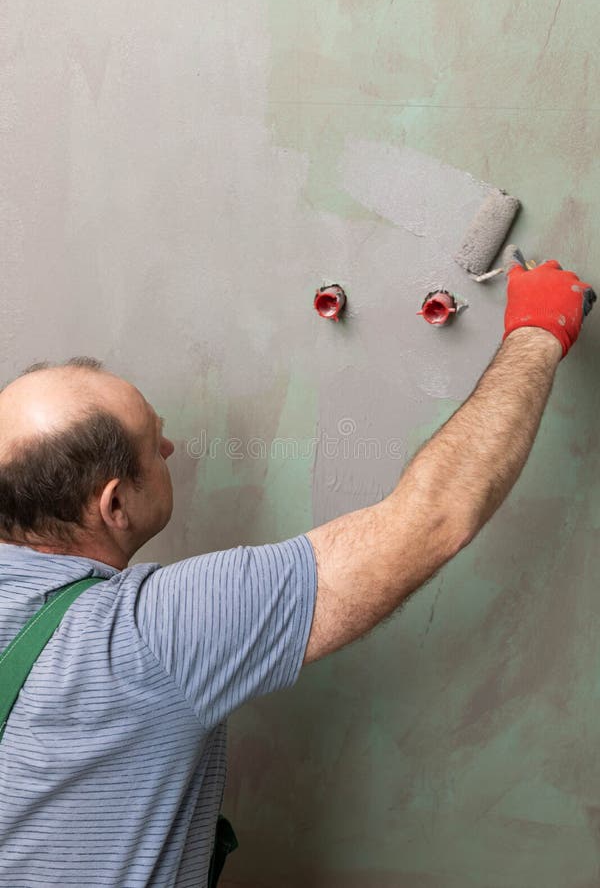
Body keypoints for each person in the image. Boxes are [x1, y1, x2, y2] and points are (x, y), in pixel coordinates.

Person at [0, 255, 595, 887]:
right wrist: (537, 331)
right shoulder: (148, 635)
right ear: (114, 505)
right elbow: (434, 519)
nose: (171, 449)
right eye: (155, 444)